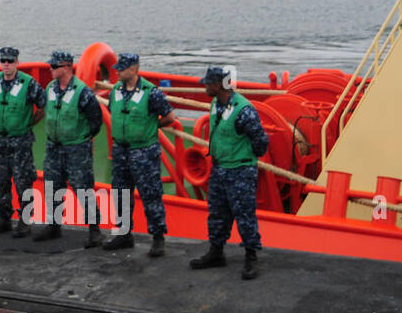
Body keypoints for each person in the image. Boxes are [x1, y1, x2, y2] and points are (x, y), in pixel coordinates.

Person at [190, 66, 269, 280]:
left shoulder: (243, 110)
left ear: (218, 85)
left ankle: (251, 256)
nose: (204, 86)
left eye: (207, 83)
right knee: (217, 212)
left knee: (244, 214)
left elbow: (261, 142)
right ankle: (216, 251)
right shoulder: (216, 103)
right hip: (220, 169)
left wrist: (241, 157)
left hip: (240, 171)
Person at [103, 53, 178, 256]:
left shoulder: (151, 93)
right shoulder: (116, 91)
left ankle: (158, 237)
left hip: (143, 151)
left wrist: (150, 127)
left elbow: (170, 117)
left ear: (134, 69)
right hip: (121, 151)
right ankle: (124, 234)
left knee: (150, 194)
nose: (117, 71)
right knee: (120, 193)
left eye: (122, 68)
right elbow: (114, 112)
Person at [34, 50, 104, 245]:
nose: (50, 69)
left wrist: (80, 139)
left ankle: (94, 230)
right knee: (52, 187)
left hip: (76, 149)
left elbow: (95, 121)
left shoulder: (83, 92)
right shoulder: (50, 88)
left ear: (66, 67)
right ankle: (54, 226)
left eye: (54, 66)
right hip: (54, 148)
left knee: (83, 188)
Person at [0, 47, 45, 238]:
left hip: (19, 142)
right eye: (3, 61)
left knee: (23, 182)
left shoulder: (28, 83)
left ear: (17, 62)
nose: (6, 65)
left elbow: (43, 104)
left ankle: (25, 221)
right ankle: (4, 219)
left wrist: (29, 123)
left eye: (10, 61)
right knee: (1, 181)